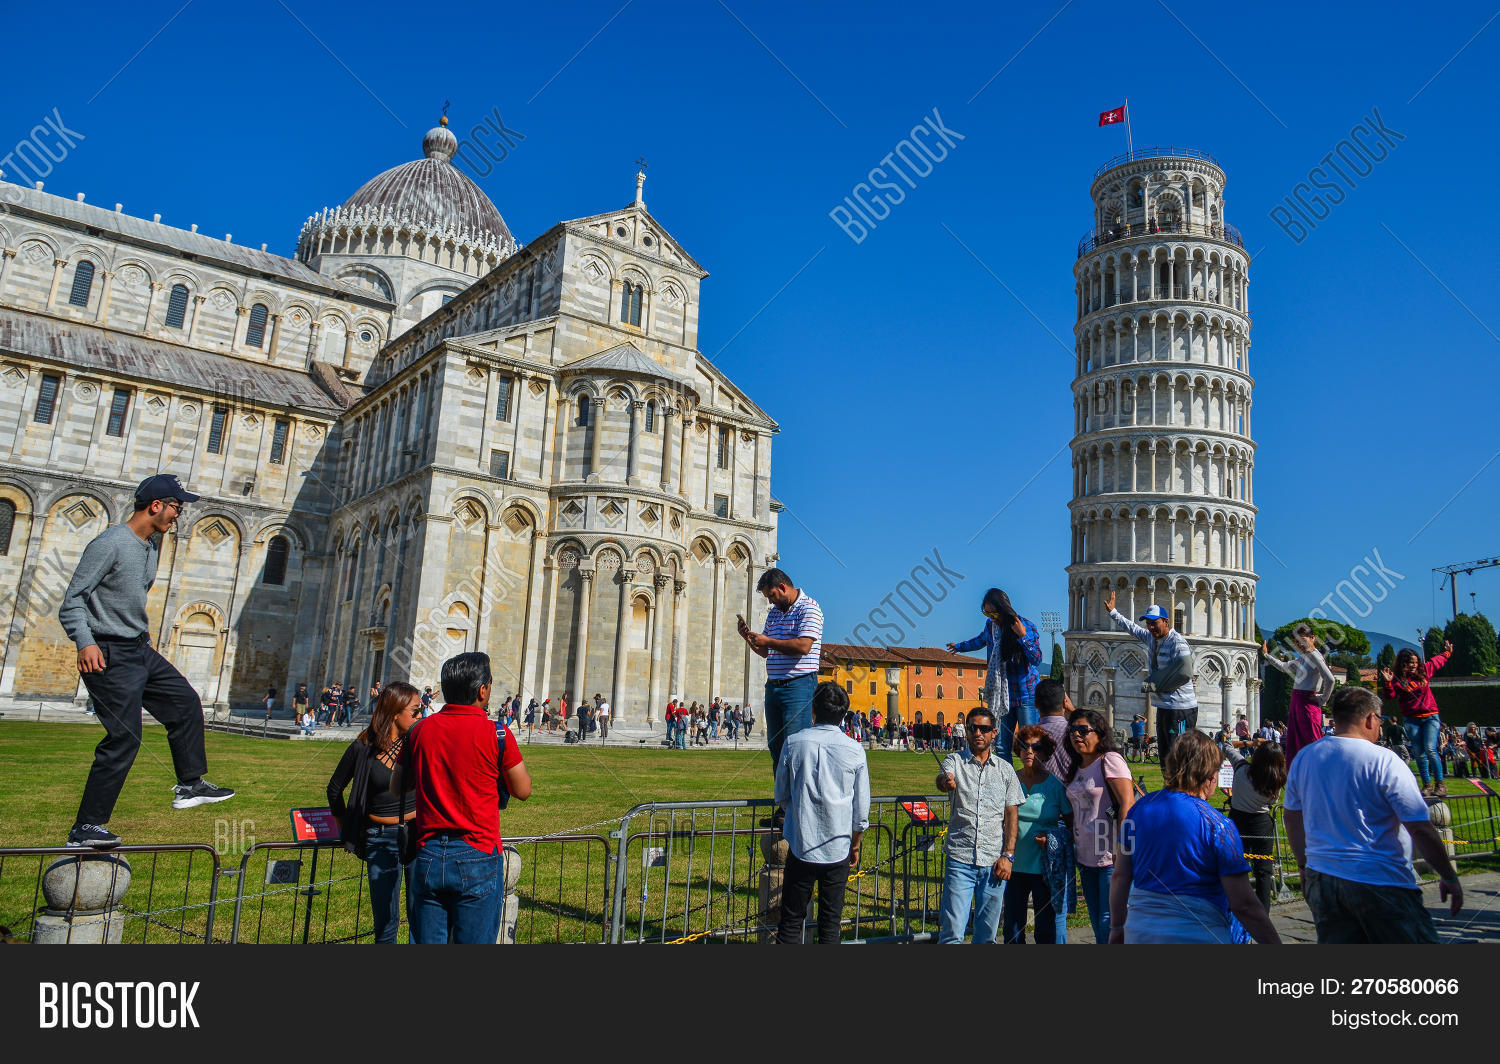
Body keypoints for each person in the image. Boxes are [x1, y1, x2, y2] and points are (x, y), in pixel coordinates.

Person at [58, 473, 234, 847]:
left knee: (185, 703)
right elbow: (73, 601)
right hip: (107, 653)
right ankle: (86, 827)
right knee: (124, 737)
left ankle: (190, 784)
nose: (178, 515)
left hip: (138, 649)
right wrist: (85, 643)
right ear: (156, 505)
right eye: (176, 507)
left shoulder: (150, 547)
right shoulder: (109, 544)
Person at [1284, 686, 1463, 943]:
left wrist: (1304, 865)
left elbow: (1292, 818)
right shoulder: (1385, 761)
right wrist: (1448, 874)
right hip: (1379, 878)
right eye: (1380, 719)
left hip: (1323, 877)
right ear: (1370, 718)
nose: (1379, 725)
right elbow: (1420, 827)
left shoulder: (1305, 758)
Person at [392, 652, 532, 944]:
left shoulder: (419, 730)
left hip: (428, 852)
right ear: (482, 690)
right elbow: (523, 790)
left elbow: (397, 787)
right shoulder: (498, 734)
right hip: (478, 850)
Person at [1108, 731, 1282, 944]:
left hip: (1140, 930)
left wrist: (1117, 928)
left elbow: (1121, 876)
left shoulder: (1138, 810)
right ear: (1211, 776)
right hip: (1199, 933)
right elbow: (1243, 904)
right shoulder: (1218, 825)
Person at [774, 683, 870, 944]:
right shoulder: (854, 750)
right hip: (838, 846)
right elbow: (861, 809)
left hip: (802, 844)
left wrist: (799, 811)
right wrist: (856, 844)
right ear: (844, 714)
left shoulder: (793, 743)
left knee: (790, 922)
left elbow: (781, 795)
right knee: (830, 924)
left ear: (813, 709)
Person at [327, 682, 421, 944]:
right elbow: (334, 789)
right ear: (395, 712)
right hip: (380, 837)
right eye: (415, 711)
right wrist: (346, 825)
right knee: (386, 920)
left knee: (421, 916)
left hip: (418, 834)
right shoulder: (363, 747)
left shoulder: (417, 743)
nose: (420, 716)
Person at [738, 568, 823, 828]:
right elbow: (767, 652)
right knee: (777, 750)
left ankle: (799, 810)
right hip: (774, 686)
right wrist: (751, 639)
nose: (771, 601)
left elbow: (803, 646)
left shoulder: (809, 608)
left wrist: (768, 641)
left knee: (796, 750)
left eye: (772, 595)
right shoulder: (775, 613)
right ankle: (785, 808)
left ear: (783, 587)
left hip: (798, 686)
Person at [935, 706, 1022, 943]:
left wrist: (1008, 855)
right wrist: (945, 781)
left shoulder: (1005, 770)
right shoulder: (955, 760)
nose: (978, 733)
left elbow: (1011, 815)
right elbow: (943, 777)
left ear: (994, 732)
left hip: (994, 862)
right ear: (966, 731)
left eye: (984, 729)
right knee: (952, 933)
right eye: (973, 728)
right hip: (960, 859)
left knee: (986, 936)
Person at [1061, 706, 1133, 943]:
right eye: (1072, 730)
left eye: (1083, 730)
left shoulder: (1110, 760)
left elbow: (1127, 804)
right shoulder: (1076, 766)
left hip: (1110, 856)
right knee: (1096, 919)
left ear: (1100, 733)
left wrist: (1122, 849)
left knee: (1109, 922)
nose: (1076, 735)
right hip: (1085, 856)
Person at [947, 588, 1042, 760]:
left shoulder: (1026, 626)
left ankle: (1031, 778)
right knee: (1001, 746)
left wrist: (1022, 636)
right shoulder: (990, 626)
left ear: (1004, 609)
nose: (992, 617)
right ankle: (1007, 777)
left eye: (994, 613)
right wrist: (959, 647)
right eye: (987, 613)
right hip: (1002, 697)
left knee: (1029, 744)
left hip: (1026, 695)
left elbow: (1036, 659)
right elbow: (980, 640)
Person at [1104, 591, 1197, 766]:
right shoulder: (1151, 638)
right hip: (1164, 707)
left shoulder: (1177, 643)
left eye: (1154, 623)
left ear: (1166, 622)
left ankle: (1184, 784)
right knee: (1165, 757)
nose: (1151, 628)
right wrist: (1113, 612)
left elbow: (1185, 673)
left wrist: (1156, 684)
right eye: (1148, 624)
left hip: (1181, 708)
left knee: (1179, 756)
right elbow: (1132, 628)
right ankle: (1167, 782)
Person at [1003, 724, 1071, 944]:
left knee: (1045, 929)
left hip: (1045, 867)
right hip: (1013, 865)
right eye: (1024, 746)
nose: (1029, 751)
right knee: (1012, 928)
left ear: (1045, 752)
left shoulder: (1055, 786)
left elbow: (1071, 827)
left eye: (1036, 747)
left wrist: (1053, 837)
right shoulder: (1010, 780)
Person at [1220, 739, 1287, 913]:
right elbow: (1273, 802)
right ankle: (1263, 913)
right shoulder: (1277, 779)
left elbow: (1226, 746)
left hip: (1238, 821)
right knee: (1263, 872)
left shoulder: (1242, 768)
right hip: (1262, 824)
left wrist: (1250, 743)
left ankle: (1233, 908)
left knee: (1235, 867)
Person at [1379, 643, 1453, 797]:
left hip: (1430, 717)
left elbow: (1436, 662)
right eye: (1409, 662)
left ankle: (1440, 784)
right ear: (1402, 663)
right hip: (1411, 720)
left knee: (1430, 749)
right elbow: (1390, 696)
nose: (1413, 665)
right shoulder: (1397, 679)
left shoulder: (1424, 671)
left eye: (1415, 662)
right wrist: (1387, 682)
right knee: (1419, 753)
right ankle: (1427, 785)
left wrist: (1447, 653)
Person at [1260, 628, 1335, 765]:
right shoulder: (1305, 657)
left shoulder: (1315, 656)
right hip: (1297, 703)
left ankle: (1316, 771)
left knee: (1311, 742)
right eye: (1297, 642)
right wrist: (1266, 655)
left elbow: (1330, 679)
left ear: (1313, 638)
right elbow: (1284, 667)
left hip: (1306, 704)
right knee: (1297, 744)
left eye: (1303, 640)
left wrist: (1322, 699)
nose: (1300, 644)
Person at [1033, 679, 1074, 780]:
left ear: (1035, 704)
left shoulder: (1030, 737)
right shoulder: (1076, 733)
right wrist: (1074, 712)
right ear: (1065, 703)